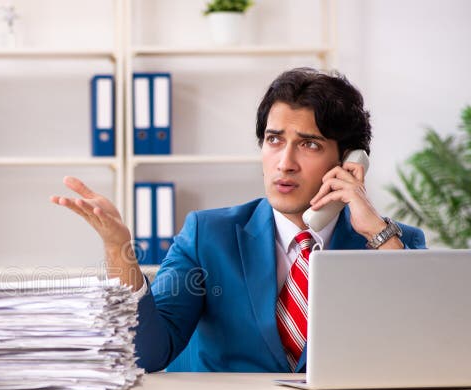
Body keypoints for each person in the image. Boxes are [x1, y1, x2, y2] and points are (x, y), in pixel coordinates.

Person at [50, 67, 426, 373]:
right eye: (274, 140)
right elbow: (148, 353)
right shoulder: (207, 236)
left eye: (309, 144)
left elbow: (421, 350)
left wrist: (379, 234)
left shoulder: (393, 243)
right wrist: (119, 251)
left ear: (349, 163)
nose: (285, 162)